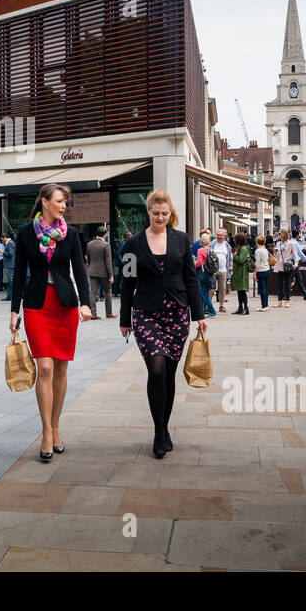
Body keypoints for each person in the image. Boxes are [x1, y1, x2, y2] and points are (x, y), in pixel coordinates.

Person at [118, 190, 205, 460]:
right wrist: (124, 319)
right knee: (156, 369)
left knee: (168, 373)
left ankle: (164, 427)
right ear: (148, 212)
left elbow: (191, 278)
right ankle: (158, 432)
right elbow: (127, 282)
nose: (160, 217)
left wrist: (199, 314)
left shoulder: (181, 240)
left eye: (164, 214)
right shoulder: (133, 244)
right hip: (145, 312)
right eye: (155, 213)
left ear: (170, 213)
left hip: (177, 312)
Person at [9, 183, 92, 461]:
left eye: (65, 202)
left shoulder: (71, 235)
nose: (64, 206)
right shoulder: (24, 234)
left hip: (64, 305)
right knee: (43, 367)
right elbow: (19, 273)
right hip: (36, 306)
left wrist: (86, 303)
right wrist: (13, 310)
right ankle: (46, 432)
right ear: (45, 202)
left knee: (60, 369)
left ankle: (56, 426)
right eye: (60, 201)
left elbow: (80, 271)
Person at [85, 226, 114, 319]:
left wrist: (91, 267)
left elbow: (88, 259)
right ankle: (109, 313)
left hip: (92, 271)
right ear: (105, 235)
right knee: (108, 292)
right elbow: (108, 262)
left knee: (93, 293)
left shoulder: (89, 244)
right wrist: (111, 275)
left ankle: (93, 314)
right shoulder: (106, 245)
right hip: (104, 273)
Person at [193, 233, 217, 317]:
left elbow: (199, 262)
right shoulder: (211, 249)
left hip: (202, 273)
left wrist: (193, 266)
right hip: (209, 273)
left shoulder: (201, 250)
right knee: (205, 292)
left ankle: (212, 312)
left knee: (203, 294)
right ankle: (201, 310)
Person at [209, 229, 233, 312]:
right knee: (211, 288)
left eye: (220, 235)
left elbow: (229, 257)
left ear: (224, 236)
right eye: (218, 235)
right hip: (213, 270)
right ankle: (209, 306)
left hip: (223, 270)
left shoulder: (227, 245)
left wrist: (229, 268)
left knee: (222, 289)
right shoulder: (212, 244)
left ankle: (221, 305)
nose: (219, 237)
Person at [230, 233, 252, 315]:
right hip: (239, 272)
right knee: (239, 291)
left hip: (242, 273)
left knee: (242, 291)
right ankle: (240, 307)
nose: (234, 241)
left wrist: (234, 255)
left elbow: (241, 260)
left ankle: (246, 308)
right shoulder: (241, 248)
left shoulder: (243, 249)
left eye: (236, 239)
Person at [253, 235, 271, 311]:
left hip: (261, 271)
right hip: (267, 269)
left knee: (262, 288)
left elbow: (257, 263)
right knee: (265, 288)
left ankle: (263, 306)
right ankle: (265, 305)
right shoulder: (265, 250)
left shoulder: (258, 251)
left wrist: (254, 273)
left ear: (257, 242)